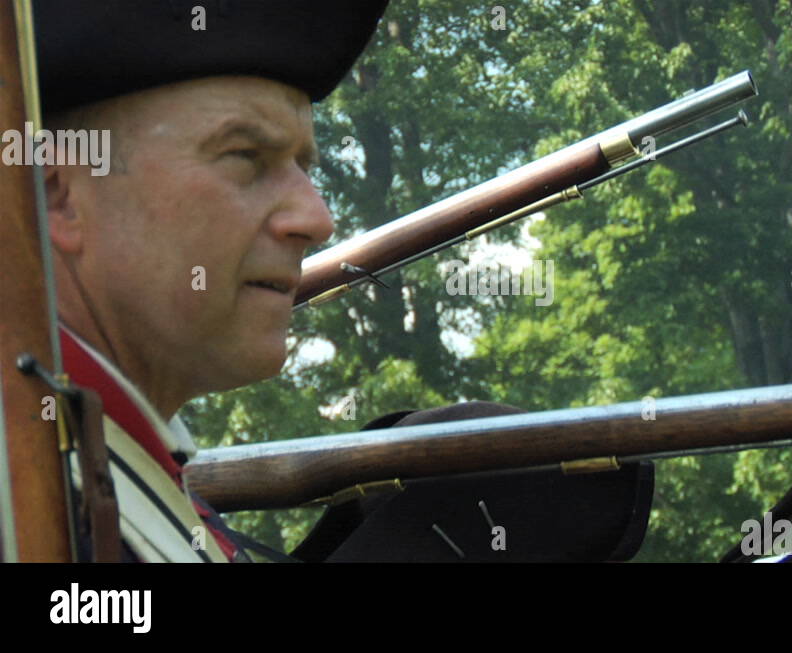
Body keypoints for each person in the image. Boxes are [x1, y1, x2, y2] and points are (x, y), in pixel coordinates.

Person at [33, 0, 652, 562]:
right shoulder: (38, 499)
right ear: (60, 196)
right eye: (246, 156)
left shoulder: (113, 476)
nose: (318, 219)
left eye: (303, 166)